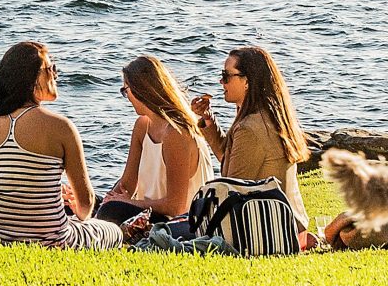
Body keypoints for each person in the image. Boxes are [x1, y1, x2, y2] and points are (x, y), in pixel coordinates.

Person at [0, 42, 125, 249]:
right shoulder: (61, 126)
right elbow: (85, 206)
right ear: (34, 77)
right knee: (112, 231)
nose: (55, 74)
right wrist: (75, 209)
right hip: (51, 241)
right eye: (50, 68)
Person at [191, 45, 314, 241]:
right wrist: (208, 119)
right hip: (288, 227)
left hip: (265, 231)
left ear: (247, 81)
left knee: (170, 228)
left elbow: (230, 186)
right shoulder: (270, 116)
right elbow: (230, 159)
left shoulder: (250, 127)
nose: (221, 81)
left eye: (226, 75)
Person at [97, 55, 213, 235]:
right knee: (96, 206)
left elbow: (176, 206)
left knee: (111, 211)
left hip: (181, 223)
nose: (126, 97)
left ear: (140, 90)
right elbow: (126, 184)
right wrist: (102, 200)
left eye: (125, 90)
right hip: (151, 213)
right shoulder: (142, 125)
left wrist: (127, 203)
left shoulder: (176, 132)